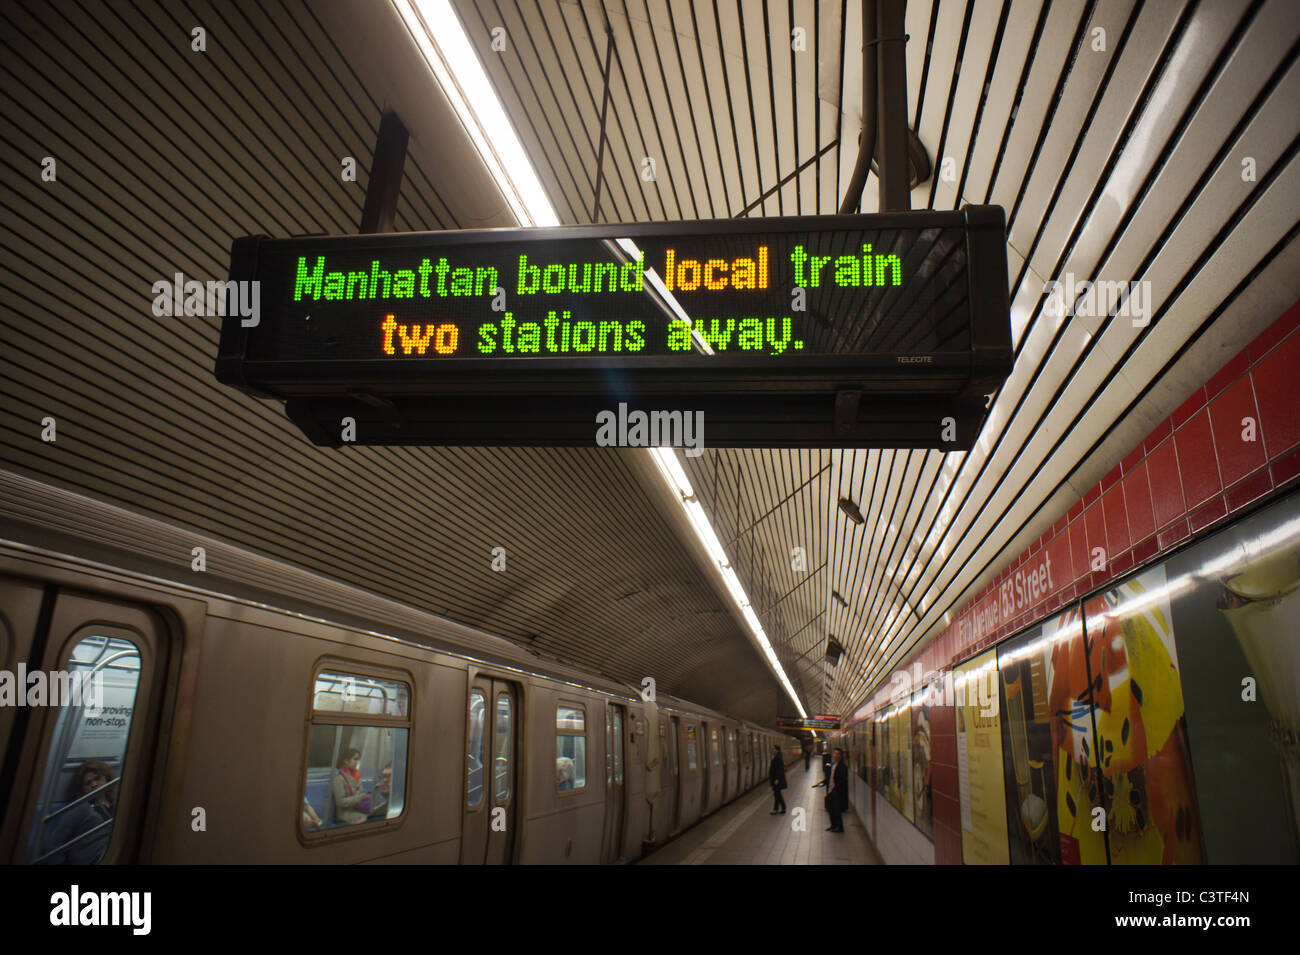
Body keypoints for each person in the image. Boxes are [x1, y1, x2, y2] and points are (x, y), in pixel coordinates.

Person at [44, 759, 116, 864]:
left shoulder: (116, 804)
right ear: (82, 789)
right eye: (88, 783)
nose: (94, 784)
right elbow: (55, 845)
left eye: (97, 779)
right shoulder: (80, 809)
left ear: (106, 779)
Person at [326, 748, 371, 826]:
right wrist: (360, 798)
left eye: (358, 760)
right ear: (346, 761)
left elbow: (361, 792)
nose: (357, 763)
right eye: (355, 759)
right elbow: (341, 802)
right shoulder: (339, 778)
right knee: (367, 820)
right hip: (346, 813)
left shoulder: (357, 776)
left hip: (359, 809)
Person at [825, 748, 849, 833]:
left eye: (838, 754)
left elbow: (842, 781)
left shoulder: (843, 767)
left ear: (841, 756)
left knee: (836, 810)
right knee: (831, 809)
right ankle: (833, 826)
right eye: (835, 754)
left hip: (837, 792)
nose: (836, 756)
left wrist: (835, 788)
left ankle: (839, 827)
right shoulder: (832, 765)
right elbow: (830, 777)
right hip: (830, 790)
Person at [768, 745, 787, 814]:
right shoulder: (778, 757)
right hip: (778, 779)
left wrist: (777, 779)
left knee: (777, 794)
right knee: (778, 794)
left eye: (774, 749)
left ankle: (775, 809)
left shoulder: (777, 758)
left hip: (777, 780)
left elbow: (779, 770)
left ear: (777, 750)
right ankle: (783, 807)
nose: (773, 751)